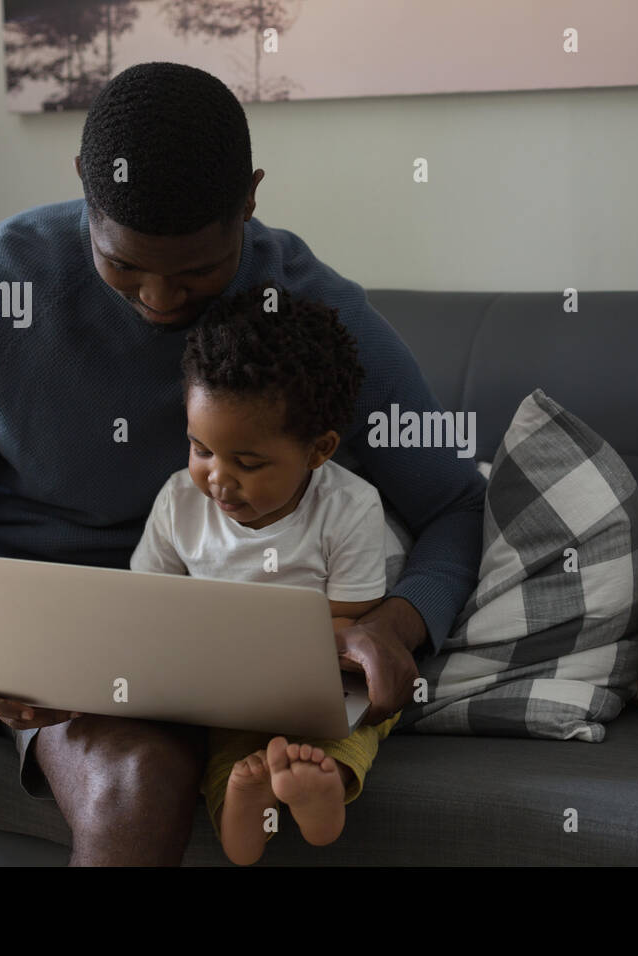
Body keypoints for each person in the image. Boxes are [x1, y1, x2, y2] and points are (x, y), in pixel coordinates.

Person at [0, 61, 485, 866]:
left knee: (136, 787)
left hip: (134, 658)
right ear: (84, 184)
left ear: (250, 198)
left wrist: (396, 623)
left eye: (196, 273)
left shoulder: (313, 316)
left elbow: (454, 503)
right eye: (125, 266)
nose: (159, 300)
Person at [131, 286, 398, 865]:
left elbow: (348, 625)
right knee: (231, 758)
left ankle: (322, 795)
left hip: (325, 684)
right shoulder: (179, 501)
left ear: (318, 450)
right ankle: (245, 815)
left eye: (248, 464)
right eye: (200, 449)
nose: (219, 479)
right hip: (225, 694)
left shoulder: (349, 508)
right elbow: (146, 603)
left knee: (349, 733)